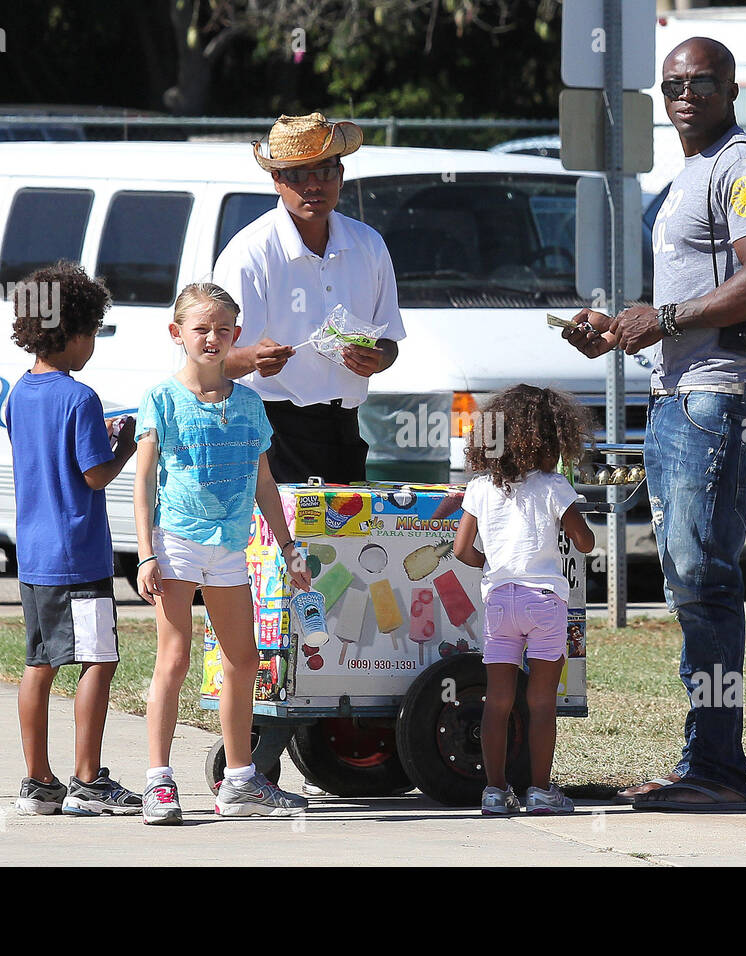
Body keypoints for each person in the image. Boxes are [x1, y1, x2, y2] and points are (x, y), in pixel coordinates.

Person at [563, 37, 746, 813]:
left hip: (717, 397)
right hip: (677, 396)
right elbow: (685, 305)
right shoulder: (690, 175)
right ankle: (707, 759)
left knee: (705, 582)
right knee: (690, 584)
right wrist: (616, 327)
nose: (685, 95)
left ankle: (719, 769)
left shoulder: (744, 165)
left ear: (731, 88)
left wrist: (659, 319)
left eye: (701, 82)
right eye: (672, 85)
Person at [133, 282, 312, 825]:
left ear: (237, 333)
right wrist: (146, 553)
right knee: (176, 657)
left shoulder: (251, 404)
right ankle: (158, 782)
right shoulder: (162, 399)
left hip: (230, 547)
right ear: (177, 333)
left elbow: (264, 481)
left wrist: (287, 545)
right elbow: (143, 482)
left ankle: (240, 781)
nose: (213, 338)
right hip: (177, 543)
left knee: (244, 659)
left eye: (224, 329)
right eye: (201, 328)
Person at [6, 261, 142, 817]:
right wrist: (125, 447)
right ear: (72, 332)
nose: (92, 347)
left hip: (35, 554)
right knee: (97, 660)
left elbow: (48, 454)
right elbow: (93, 475)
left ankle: (38, 780)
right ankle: (88, 779)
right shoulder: (81, 397)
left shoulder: (17, 393)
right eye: (91, 334)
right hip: (79, 551)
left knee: (40, 662)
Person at [213, 111, 405, 484]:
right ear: (277, 180)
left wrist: (377, 358)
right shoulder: (251, 251)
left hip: (344, 428)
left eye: (324, 171)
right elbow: (210, 363)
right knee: (282, 544)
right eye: (298, 175)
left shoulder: (368, 245)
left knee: (349, 542)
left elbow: (390, 342)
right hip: (269, 431)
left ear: (341, 175)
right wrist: (253, 358)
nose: (313, 185)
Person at [452, 385, 595, 815]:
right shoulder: (554, 486)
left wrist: (495, 565)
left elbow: (461, 551)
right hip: (545, 602)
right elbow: (585, 543)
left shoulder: (479, 487)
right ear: (552, 441)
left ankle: (494, 792)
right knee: (540, 702)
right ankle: (541, 792)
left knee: (496, 701)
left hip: (499, 601)